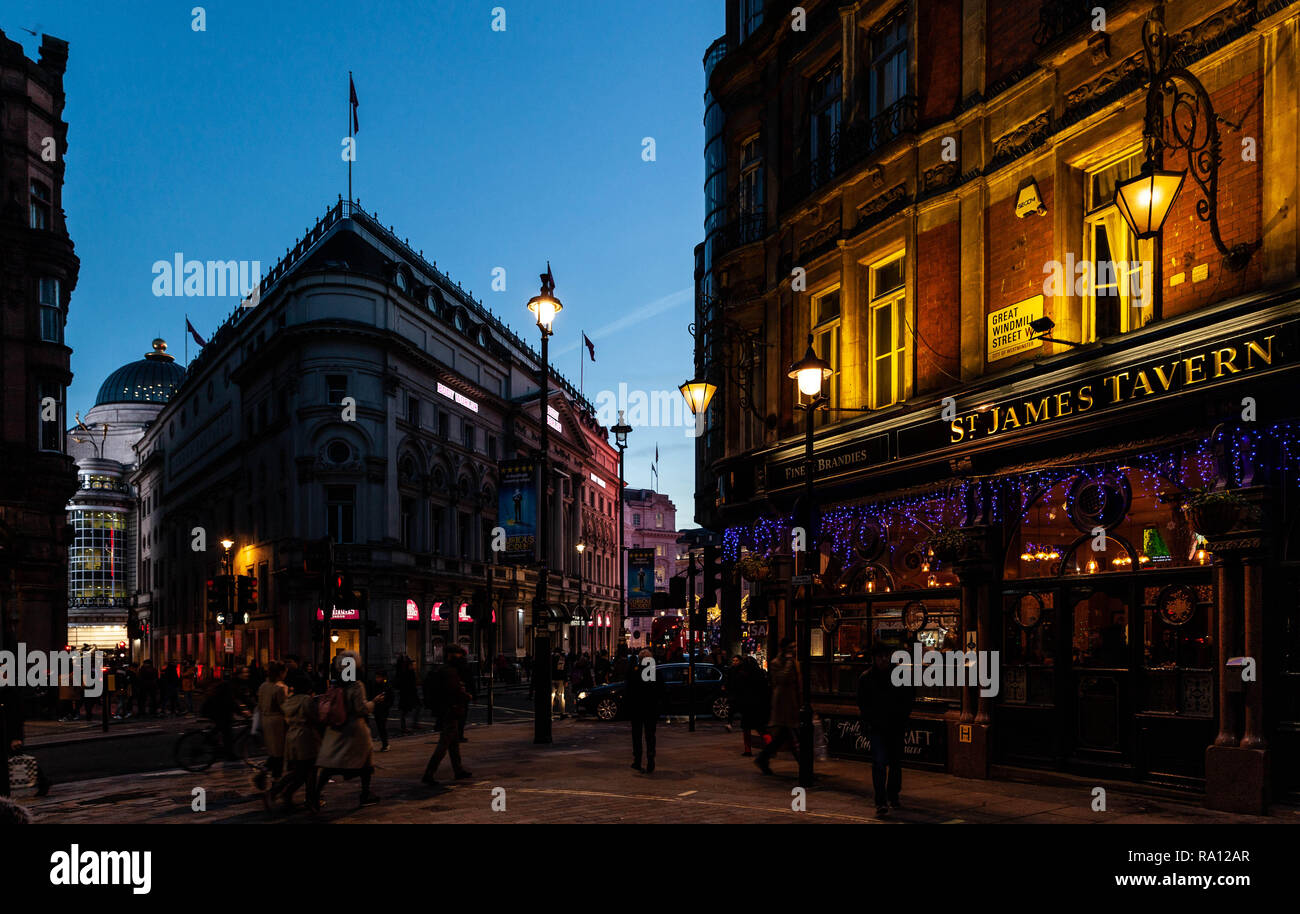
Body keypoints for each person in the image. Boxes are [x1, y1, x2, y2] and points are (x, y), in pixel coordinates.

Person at [315, 652, 381, 807]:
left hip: (336, 729)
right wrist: (374, 702)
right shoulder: (356, 685)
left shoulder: (336, 684)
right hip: (354, 730)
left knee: (330, 766)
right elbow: (361, 708)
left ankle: (315, 794)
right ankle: (365, 794)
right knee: (365, 764)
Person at [857, 642, 915, 817]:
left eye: (886, 656)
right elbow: (862, 703)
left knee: (895, 763)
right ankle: (881, 801)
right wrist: (868, 721)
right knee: (879, 763)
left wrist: (903, 717)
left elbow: (909, 698)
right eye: (880, 656)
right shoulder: (866, 678)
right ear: (874, 658)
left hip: (896, 725)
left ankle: (893, 794)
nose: (883, 659)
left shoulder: (901, 675)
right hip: (877, 727)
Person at [268, 669, 322, 813]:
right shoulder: (306, 700)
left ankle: (287, 795)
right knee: (308, 771)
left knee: (301, 771)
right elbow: (315, 718)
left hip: (292, 737)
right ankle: (307, 799)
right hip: (306, 737)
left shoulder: (290, 700)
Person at [421, 646, 473, 784]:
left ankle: (458, 770)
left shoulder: (443, 669)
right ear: (450, 655)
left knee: (453, 743)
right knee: (444, 744)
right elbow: (454, 691)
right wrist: (466, 696)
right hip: (451, 710)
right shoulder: (449, 671)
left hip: (446, 710)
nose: (460, 657)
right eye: (458, 654)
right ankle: (429, 773)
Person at [756, 638, 800, 775]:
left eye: (795, 647)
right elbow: (781, 680)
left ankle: (763, 758)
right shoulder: (777, 663)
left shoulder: (794, 662)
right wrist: (788, 662)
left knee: (784, 737)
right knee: (792, 736)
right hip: (783, 704)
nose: (794, 650)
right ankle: (804, 766)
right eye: (791, 647)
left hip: (792, 703)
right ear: (784, 649)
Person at [2, 686, 52, 797]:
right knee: (15, 756)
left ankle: (43, 781)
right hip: (6, 732)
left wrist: (16, 737)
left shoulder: (9, 691)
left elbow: (15, 715)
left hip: (9, 733)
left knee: (17, 756)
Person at [624, 649, 665, 773]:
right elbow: (661, 690)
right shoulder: (654, 672)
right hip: (650, 708)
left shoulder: (635, 671)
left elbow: (629, 689)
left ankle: (637, 760)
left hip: (637, 708)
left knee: (637, 735)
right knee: (650, 735)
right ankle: (650, 758)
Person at [254, 661, 288, 789]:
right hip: (277, 722)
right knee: (279, 753)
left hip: (266, 719)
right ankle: (275, 780)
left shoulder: (263, 686)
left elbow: (259, 704)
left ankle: (265, 773)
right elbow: (284, 707)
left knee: (274, 752)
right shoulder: (280, 688)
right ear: (280, 673)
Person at [396, 655, 420, 734]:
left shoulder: (407, 672)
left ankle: (412, 724)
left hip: (409, 693)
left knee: (413, 707)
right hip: (407, 694)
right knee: (404, 710)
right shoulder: (405, 672)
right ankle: (404, 727)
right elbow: (406, 683)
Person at [370, 669, 392, 751]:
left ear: (383, 678)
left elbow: (390, 699)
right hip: (377, 709)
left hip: (384, 709)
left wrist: (385, 702)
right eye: (376, 677)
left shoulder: (387, 686)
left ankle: (385, 744)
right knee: (380, 727)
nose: (377, 679)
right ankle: (385, 744)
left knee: (382, 726)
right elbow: (371, 695)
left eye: (379, 677)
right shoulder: (374, 685)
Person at [550, 646, 569, 718]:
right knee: (561, 696)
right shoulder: (561, 659)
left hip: (552, 679)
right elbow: (563, 670)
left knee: (551, 696)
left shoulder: (551, 658)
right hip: (560, 679)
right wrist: (565, 680)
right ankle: (562, 712)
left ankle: (550, 712)